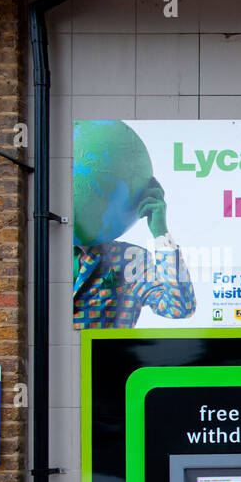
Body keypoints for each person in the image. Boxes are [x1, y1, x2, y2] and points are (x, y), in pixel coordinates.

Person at [72, 120, 195, 328]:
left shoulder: (129, 259)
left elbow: (179, 308)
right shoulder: (42, 254)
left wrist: (161, 234)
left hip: (102, 359)